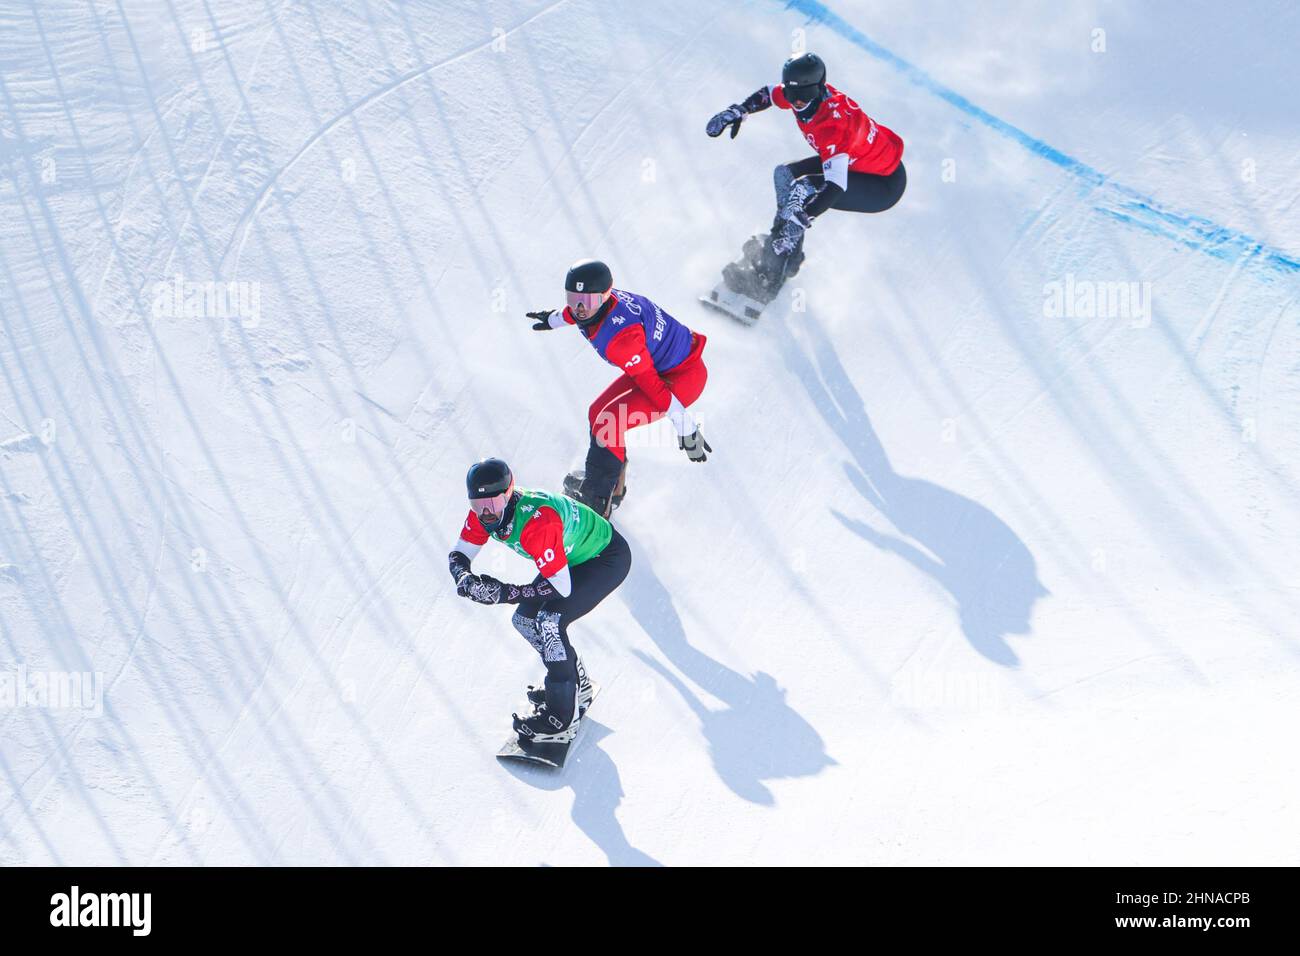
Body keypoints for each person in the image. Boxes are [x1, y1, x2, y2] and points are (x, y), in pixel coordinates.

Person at [449, 457, 631, 744]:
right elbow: (459, 555)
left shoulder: (538, 522)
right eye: (478, 506)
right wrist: (463, 578)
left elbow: (561, 589)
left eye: (493, 506)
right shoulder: (486, 511)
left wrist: (504, 592)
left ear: (508, 495)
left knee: (550, 622)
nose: (486, 514)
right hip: (571, 558)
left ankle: (561, 717)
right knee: (523, 621)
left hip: (604, 559)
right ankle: (573, 683)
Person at [705, 52, 907, 301]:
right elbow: (769, 94)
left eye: (804, 97)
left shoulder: (833, 127)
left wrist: (796, 224)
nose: (798, 103)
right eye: (792, 96)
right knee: (784, 174)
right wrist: (739, 110)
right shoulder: (800, 93)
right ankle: (787, 256)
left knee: (802, 191)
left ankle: (770, 274)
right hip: (859, 164)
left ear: (819, 90)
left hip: (881, 185)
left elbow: (834, 187)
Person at [527, 259, 712, 517]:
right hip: (662, 364)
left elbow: (652, 385)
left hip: (681, 379)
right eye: (572, 298)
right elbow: (581, 311)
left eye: (587, 302)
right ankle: (613, 488)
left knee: (609, 423)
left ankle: (595, 503)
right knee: (597, 414)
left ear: (604, 296)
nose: (580, 308)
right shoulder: (602, 303)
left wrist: (685, 426)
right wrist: (554, 319)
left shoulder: (621, 341)